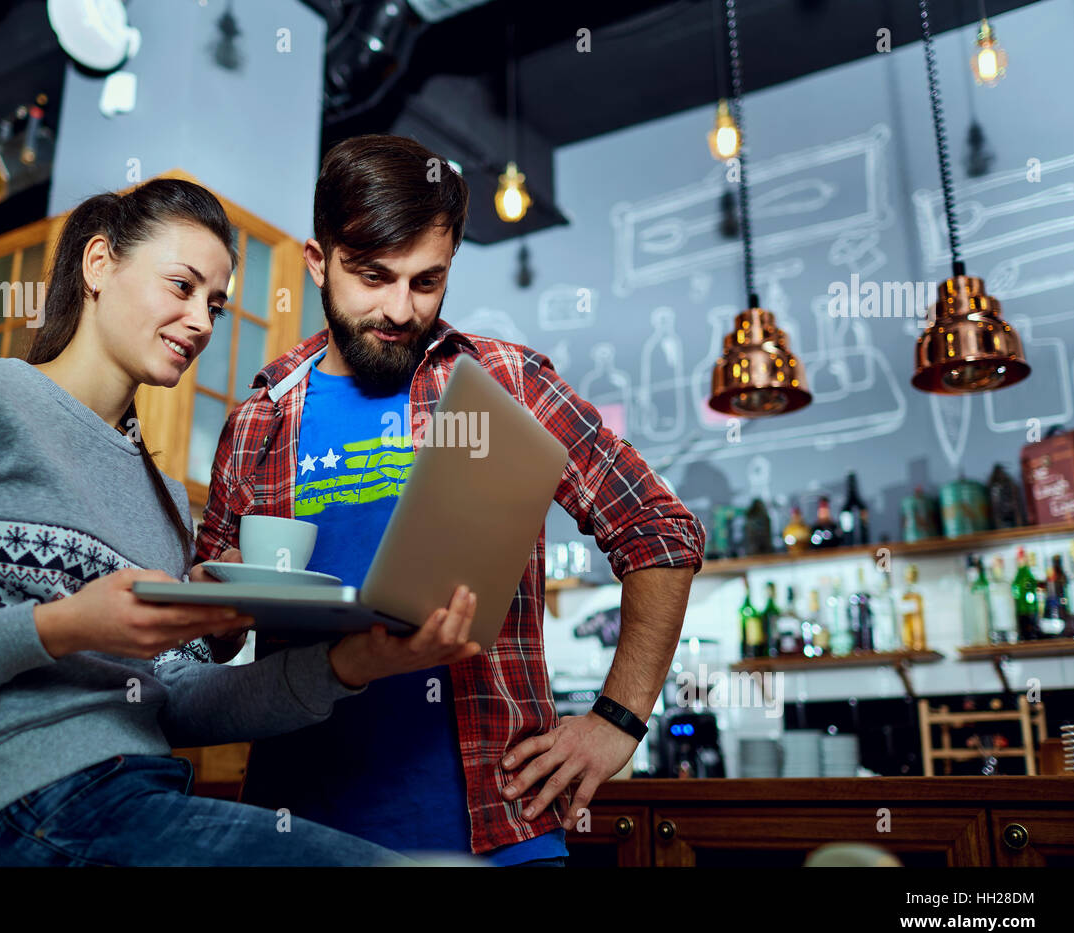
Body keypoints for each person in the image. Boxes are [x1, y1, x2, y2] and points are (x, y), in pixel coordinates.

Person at [0, 177, 480, 866]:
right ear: (98, 265)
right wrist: (60, 626)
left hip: (145, 798)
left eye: (216, 304)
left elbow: (174, 701)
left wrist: (350, 664)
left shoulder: (164, 499)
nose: (204, 322)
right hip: (26, 810)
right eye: (181, 287)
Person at [191, 135, 706, 865]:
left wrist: (618, 719)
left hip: (498, 833)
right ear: (318, 262)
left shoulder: (508, 383)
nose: (400, 309)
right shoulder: (261, 420)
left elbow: (658, 529)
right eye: (373, 276)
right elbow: (205, 638)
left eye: (426, 281)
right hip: (299, 833)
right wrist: (213, 594)